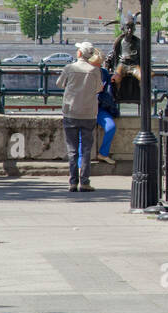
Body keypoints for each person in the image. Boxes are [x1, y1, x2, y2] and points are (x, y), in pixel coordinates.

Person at [56, 42, 103, 193]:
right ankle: (85, 182)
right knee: (86, 150)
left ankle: (72, 182)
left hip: (71, 112)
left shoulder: (70, 68)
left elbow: (59, 84)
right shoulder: (95, 71)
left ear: (79, 53)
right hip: (89, 113)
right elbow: (99, 89)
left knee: (72, 150)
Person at [87, 49, 119, 166]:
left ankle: (103, 153)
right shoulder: (85, 72)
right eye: (97, 64)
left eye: (100, 64)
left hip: (100, 108)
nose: (99, 66)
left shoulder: (104, 73)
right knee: (83, 135)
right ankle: (81, 164)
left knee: (111, 127)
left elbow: (107, 91)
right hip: (86, 108)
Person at [109, 18, 143, 102]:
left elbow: (141, 55)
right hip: (122, 64)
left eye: (132, 28)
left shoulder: (138, 42)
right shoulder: (119, 41)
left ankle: (143, 96)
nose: (130, 30)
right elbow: (114, 53)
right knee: (116, 78)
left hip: (134, 65)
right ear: (123, 29)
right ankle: (116, 95)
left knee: (143, 77)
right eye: (128, 28)